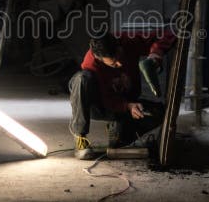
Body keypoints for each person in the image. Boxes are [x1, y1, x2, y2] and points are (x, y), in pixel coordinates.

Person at [69, 30, 175, 160]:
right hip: (102, 105)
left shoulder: (128, 40)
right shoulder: (91, 63)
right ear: (99, 59)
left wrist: (155, 55)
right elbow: (106, 99)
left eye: (120, 57)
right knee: (82, 79)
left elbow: (169, 34)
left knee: (162, 113)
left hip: (126, 102)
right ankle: (80, 138)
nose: (120, 64)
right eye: (113, 64)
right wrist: (127, 106)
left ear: (119, 45)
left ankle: (120, 132)